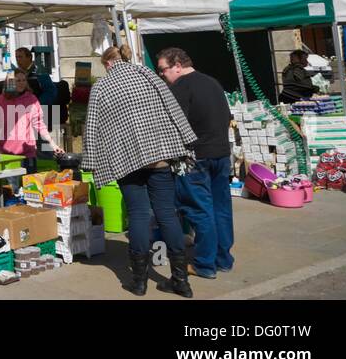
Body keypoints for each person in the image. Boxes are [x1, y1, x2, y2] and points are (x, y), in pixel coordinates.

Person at [84, 43, 197, 298]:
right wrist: (186, 140)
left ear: (109, 64)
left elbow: (92, 126)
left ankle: (139, 283)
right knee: (167, 214)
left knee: (138, 215)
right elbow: (173, 108)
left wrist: (90, 162)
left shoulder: (102, 87)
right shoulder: (149, 76)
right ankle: (181, 281)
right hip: (159, 155)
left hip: (125, 158)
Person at [157, 47, 234, 278]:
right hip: (221, 153)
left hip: (196, 157)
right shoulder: (212, 82)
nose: (161, 75)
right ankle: (223, 259)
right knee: (221, 208)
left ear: (178, 65)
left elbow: (174, 125)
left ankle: (204, 264)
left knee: (200, 210)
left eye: (163, 70)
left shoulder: (181, 86)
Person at [0, 66, 62, 191]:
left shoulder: (32, 99)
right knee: (13, 191)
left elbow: (39, 124)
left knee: (31, 191)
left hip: (28, 153)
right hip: (8, 155)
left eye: (23, 80)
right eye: (17, 80)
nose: (21, 83)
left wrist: (53, 144)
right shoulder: (1, 99)